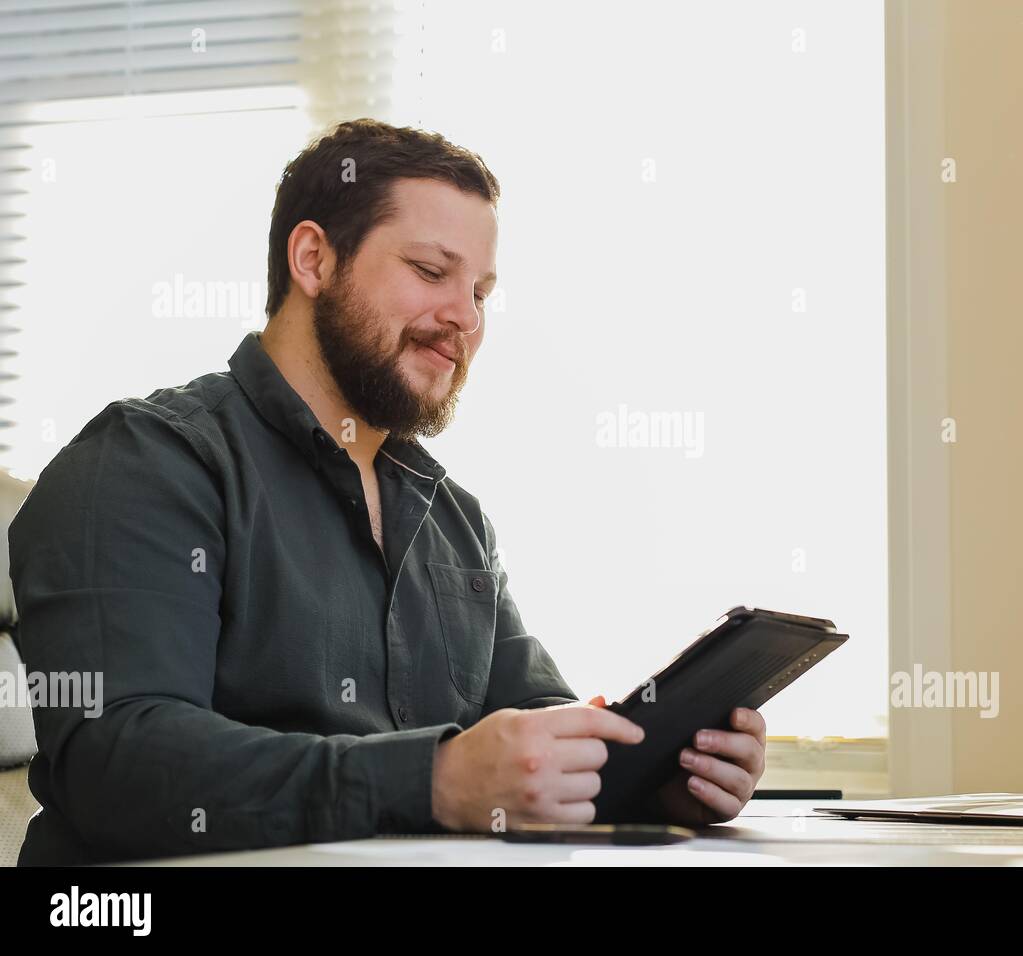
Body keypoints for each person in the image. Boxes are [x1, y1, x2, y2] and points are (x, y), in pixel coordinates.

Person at [11, 119, 765, 865]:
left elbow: (532, 719)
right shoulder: (146, 463)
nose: (465, 319)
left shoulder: (452, 515)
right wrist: (433, 779)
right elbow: (116, 760)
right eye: (432, 272)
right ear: (313, 259)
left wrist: (653, 775)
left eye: (482, 292)